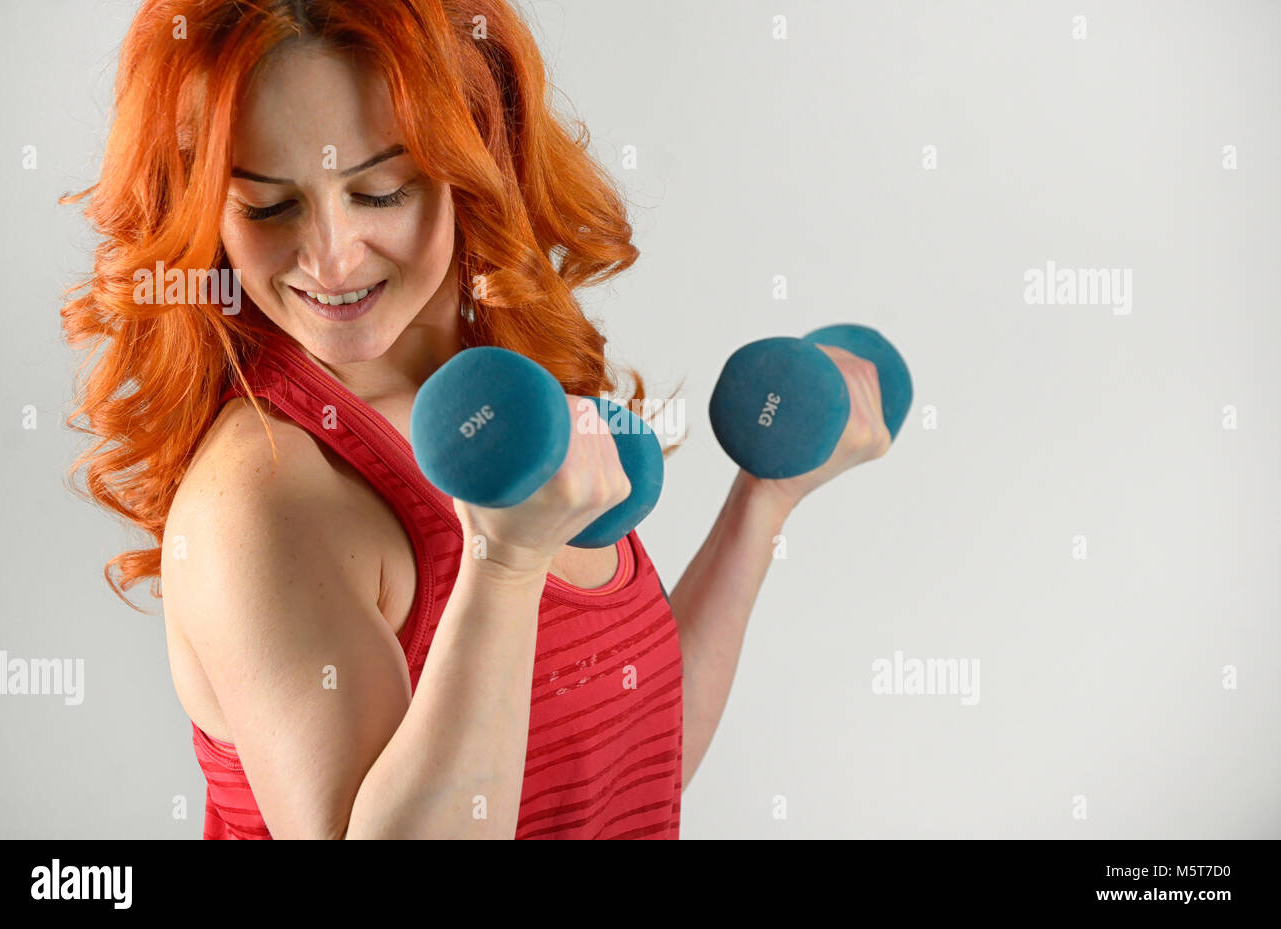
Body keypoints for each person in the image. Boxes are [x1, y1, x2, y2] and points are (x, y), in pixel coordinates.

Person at [60, 0, 892, 839]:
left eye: (379, 190)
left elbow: (626, 764)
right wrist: (503, 566)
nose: (332, 257)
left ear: (476, 160)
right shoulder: (261, 498)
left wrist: (766, 500)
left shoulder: (497, 391)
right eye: (270, 207)